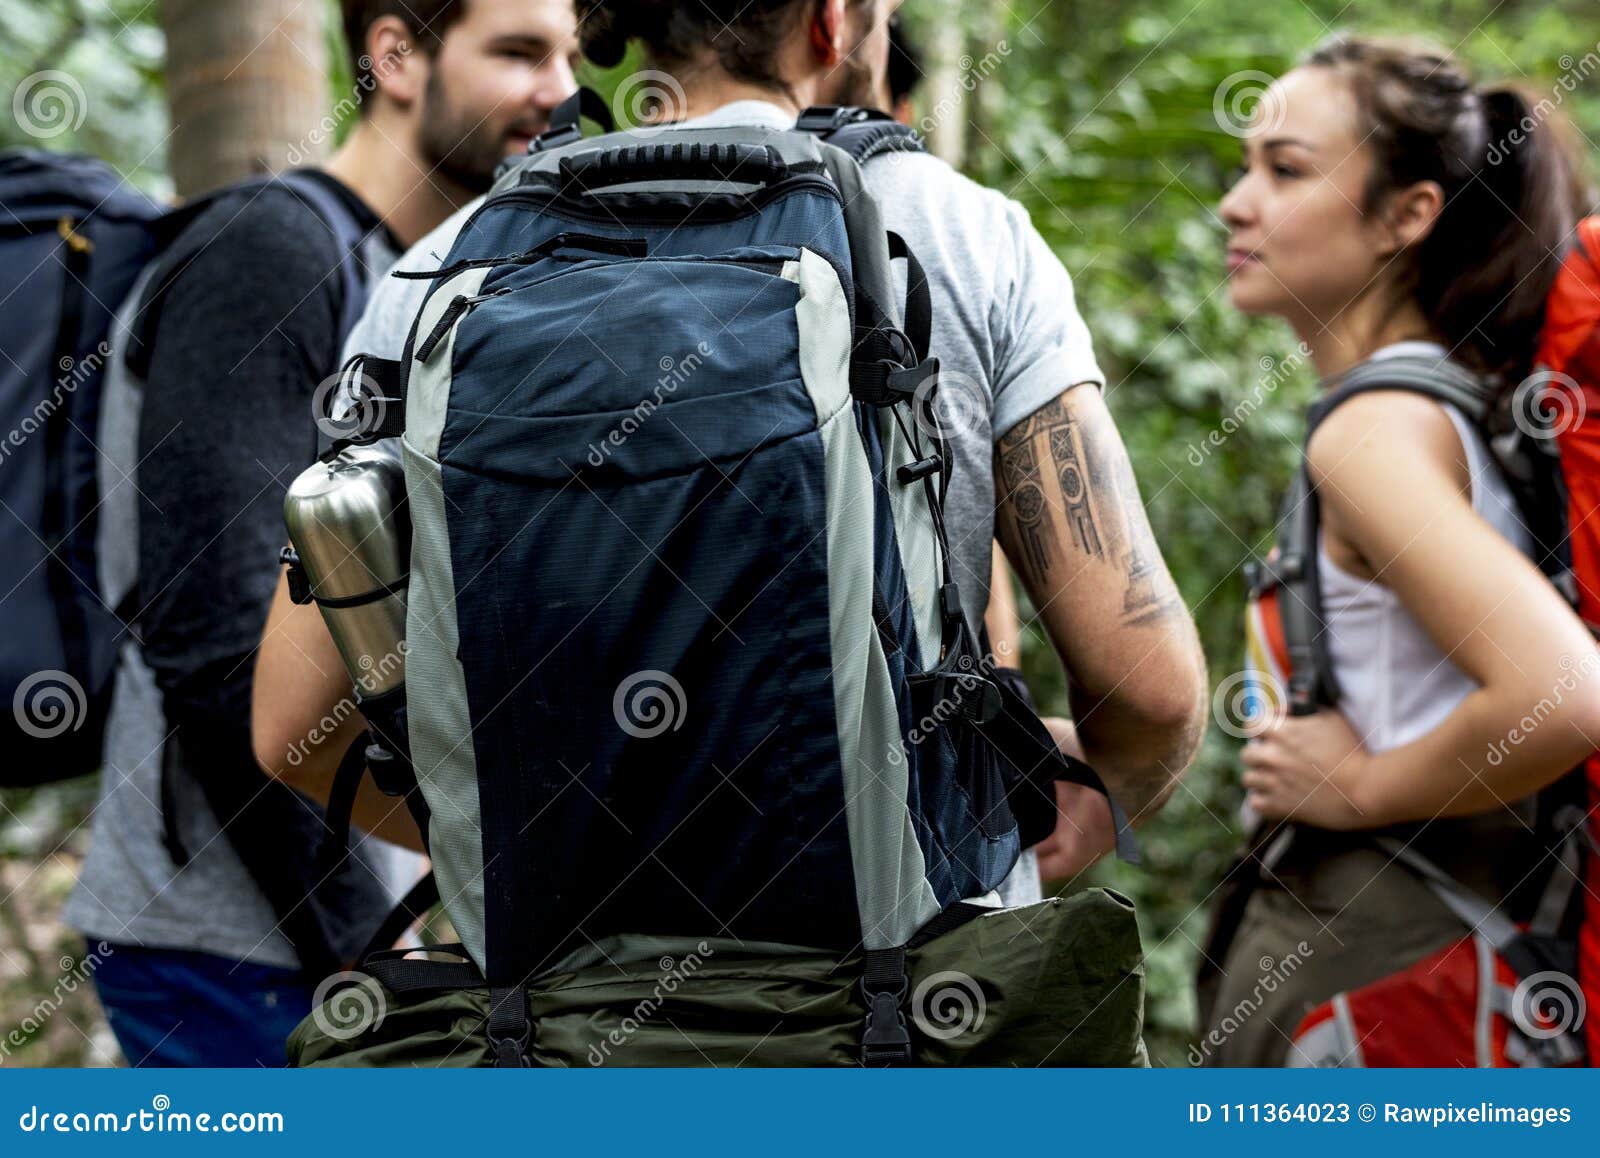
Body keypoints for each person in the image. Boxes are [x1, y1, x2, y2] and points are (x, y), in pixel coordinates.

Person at [253, 0, 1206, 956]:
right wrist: (1040, 809)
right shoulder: (966, 238)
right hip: (914, 999)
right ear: (831, 22)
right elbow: (1148, 690)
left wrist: (520, 849)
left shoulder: (446, 271)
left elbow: (295, 725)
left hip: (564, 1022)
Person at [64, 0, 580, 1067]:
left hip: (329, 919)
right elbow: (213, 635)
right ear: (395, 55)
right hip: (226, 938)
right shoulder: (270, 253)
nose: (560, 90)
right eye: (520, 52)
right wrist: (353, 936)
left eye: (571, 53)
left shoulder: (409, 279)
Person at [1198, 35, 1600, 1065]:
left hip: (1384, 996)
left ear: (1406, 214)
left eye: (1285, 171)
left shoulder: (1370, 434)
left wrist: (1362, 789)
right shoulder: (1457, 407)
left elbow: (1566, 694)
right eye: (1245, 167)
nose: (1235, 205)